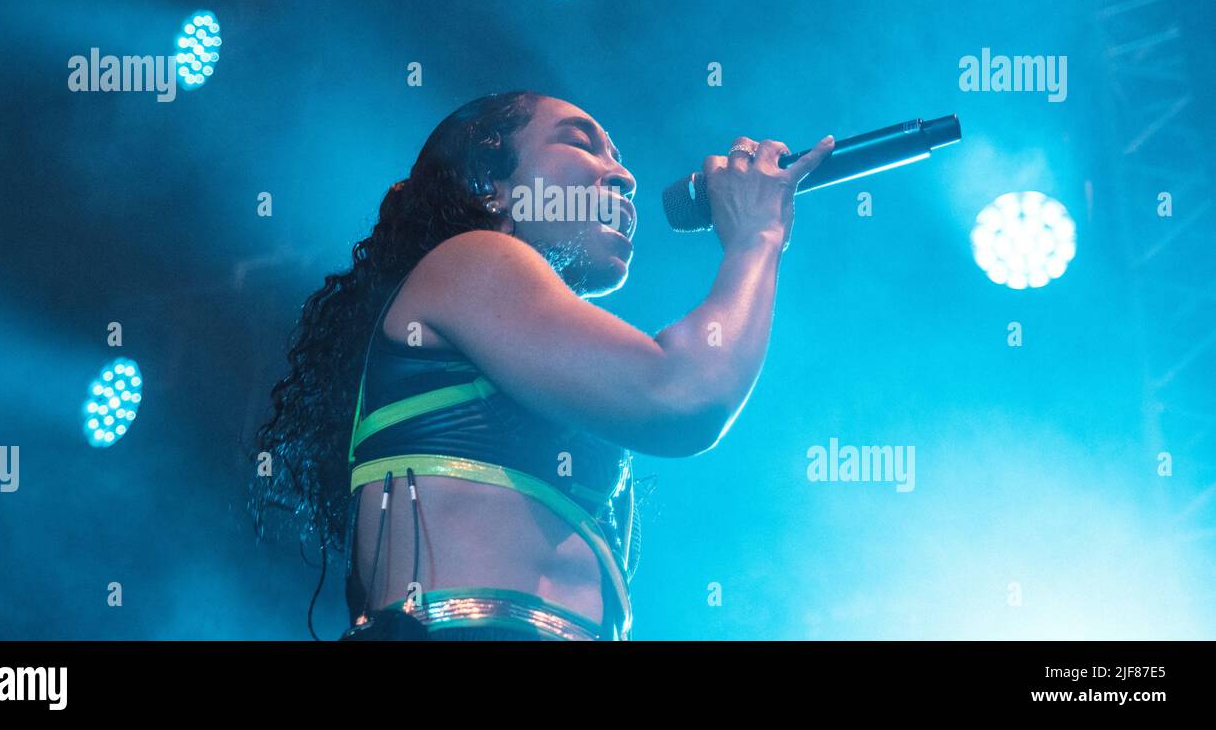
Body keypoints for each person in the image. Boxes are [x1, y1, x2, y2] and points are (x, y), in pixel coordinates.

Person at [250, 90, 834, 640]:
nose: (624, 176)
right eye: (582, 143)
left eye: (619, 156)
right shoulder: (471, 260)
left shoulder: (518, 335)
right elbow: (682, 393)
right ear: (490, 186)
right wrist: (756, 236)